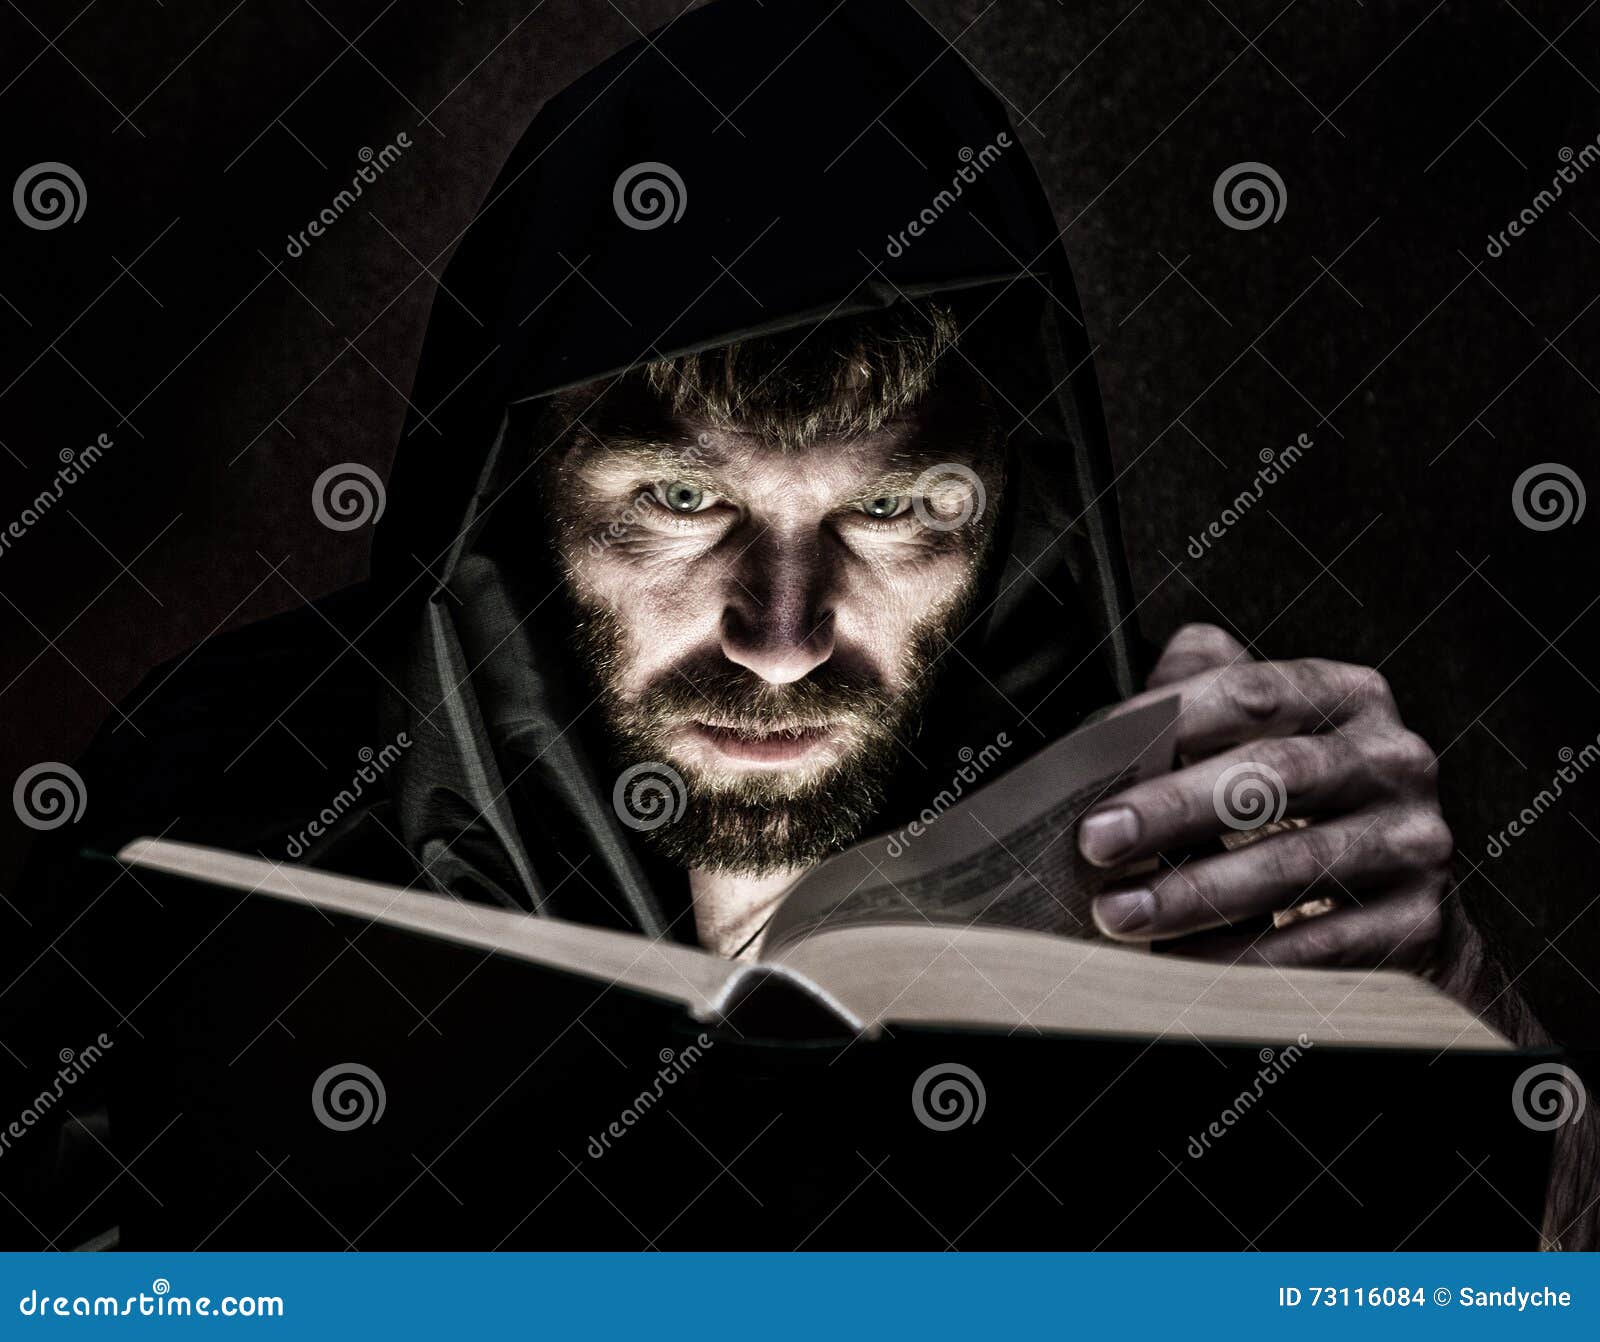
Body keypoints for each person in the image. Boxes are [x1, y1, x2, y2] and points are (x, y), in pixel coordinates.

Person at [5, 0, 1590, 1248]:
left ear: (1014, 519)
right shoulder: (220, 799)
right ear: (515, 499)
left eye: (894, 511)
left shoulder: (1203, 856)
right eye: (677, 499)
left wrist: (1461, 1016)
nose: (780, 634)